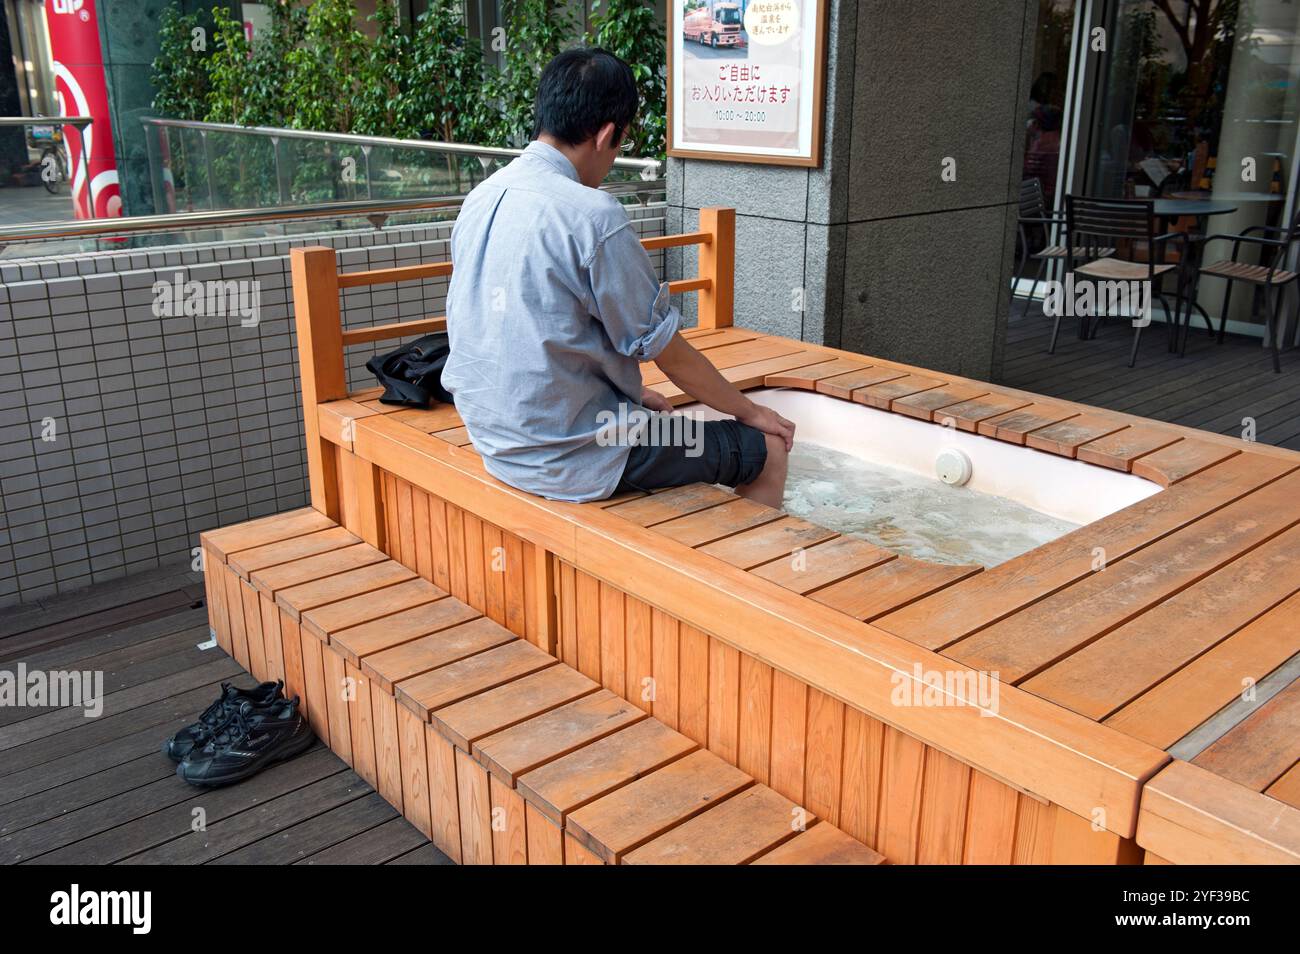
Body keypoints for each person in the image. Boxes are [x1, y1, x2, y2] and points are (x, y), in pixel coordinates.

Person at [441, 47, 793, 507]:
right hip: (572, 456)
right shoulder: (593, 217)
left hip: (496, 441)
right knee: (765, 449)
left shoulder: (482, 198)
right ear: (606, 133)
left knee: (659, 411)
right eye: (621, 142)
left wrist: (623, 396)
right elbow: (669, 354)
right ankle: (744, 574)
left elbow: (512, 330)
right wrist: (753, 412)